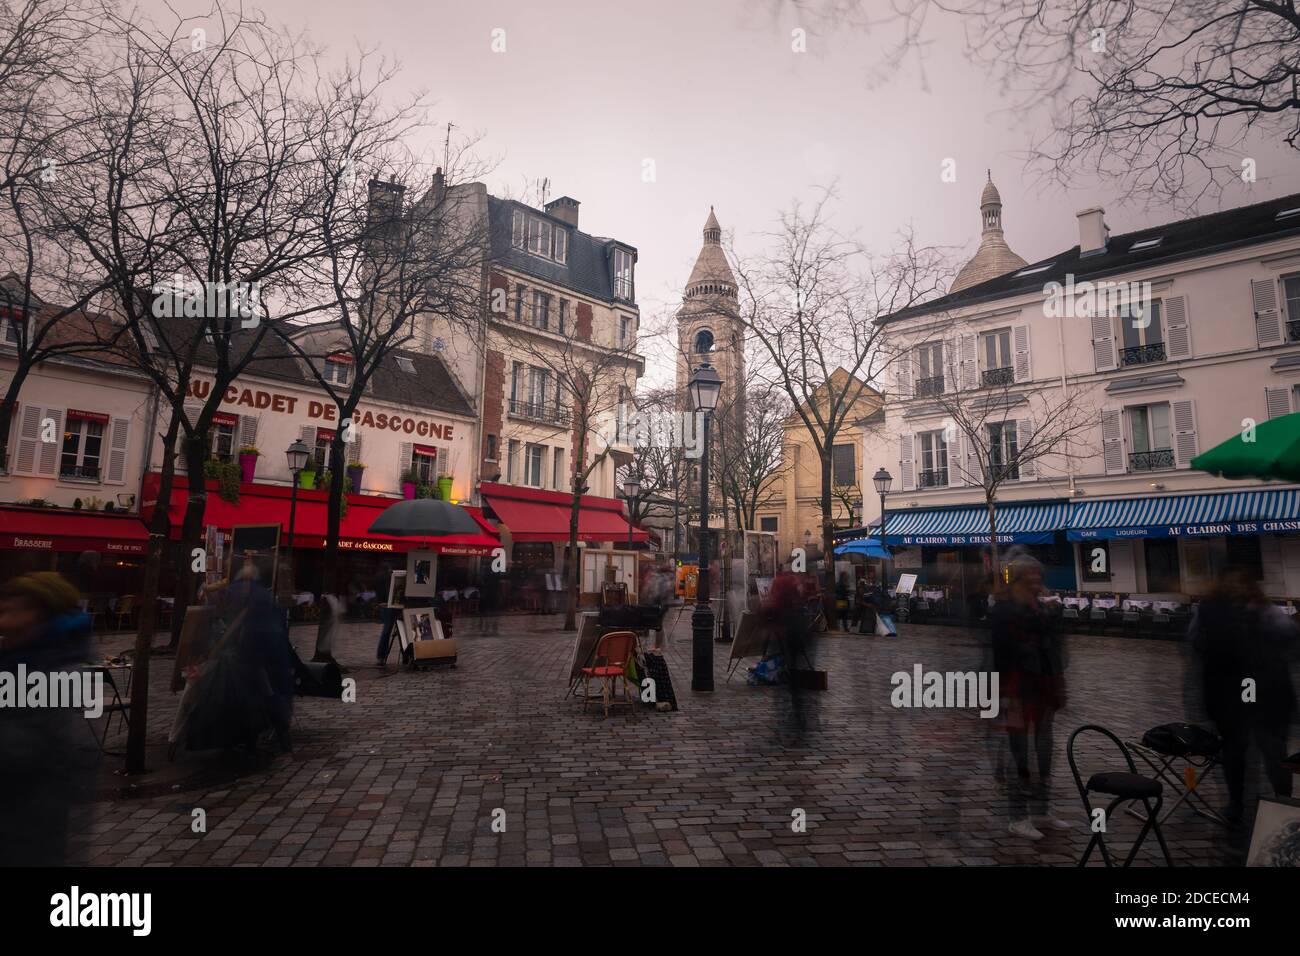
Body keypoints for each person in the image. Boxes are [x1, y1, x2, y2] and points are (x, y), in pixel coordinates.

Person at [0, 572, 98, 865]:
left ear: (43, 616)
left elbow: (36, 748)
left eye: (14, 612)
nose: (4, 622)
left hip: (29, 827)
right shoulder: (16, 658)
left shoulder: (60, 673)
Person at [1188, 569, 1296, 822]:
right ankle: (1281, 803)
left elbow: (1196, 644)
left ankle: (1238, 804)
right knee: (1270, 752)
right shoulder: (1263, 609)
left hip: (1231, 696)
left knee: (1238, 753)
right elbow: (1289, 637)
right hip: (1267, 694)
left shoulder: (1208, 610)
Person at [990, 554, 1070, 840]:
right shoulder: (1005, 610)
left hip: (1043, 684)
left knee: (1045, 753)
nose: (1037, 580)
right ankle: (1018, 815)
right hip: (1017, 686)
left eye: (1039, 575)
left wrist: (1058, 681)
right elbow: (1000, 654)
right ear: (1019, 578)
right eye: (1031, 575)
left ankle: (1041, 810)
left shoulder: (1042, 608)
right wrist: (1003, 692)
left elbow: (1053, 646)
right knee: (1020, 754)